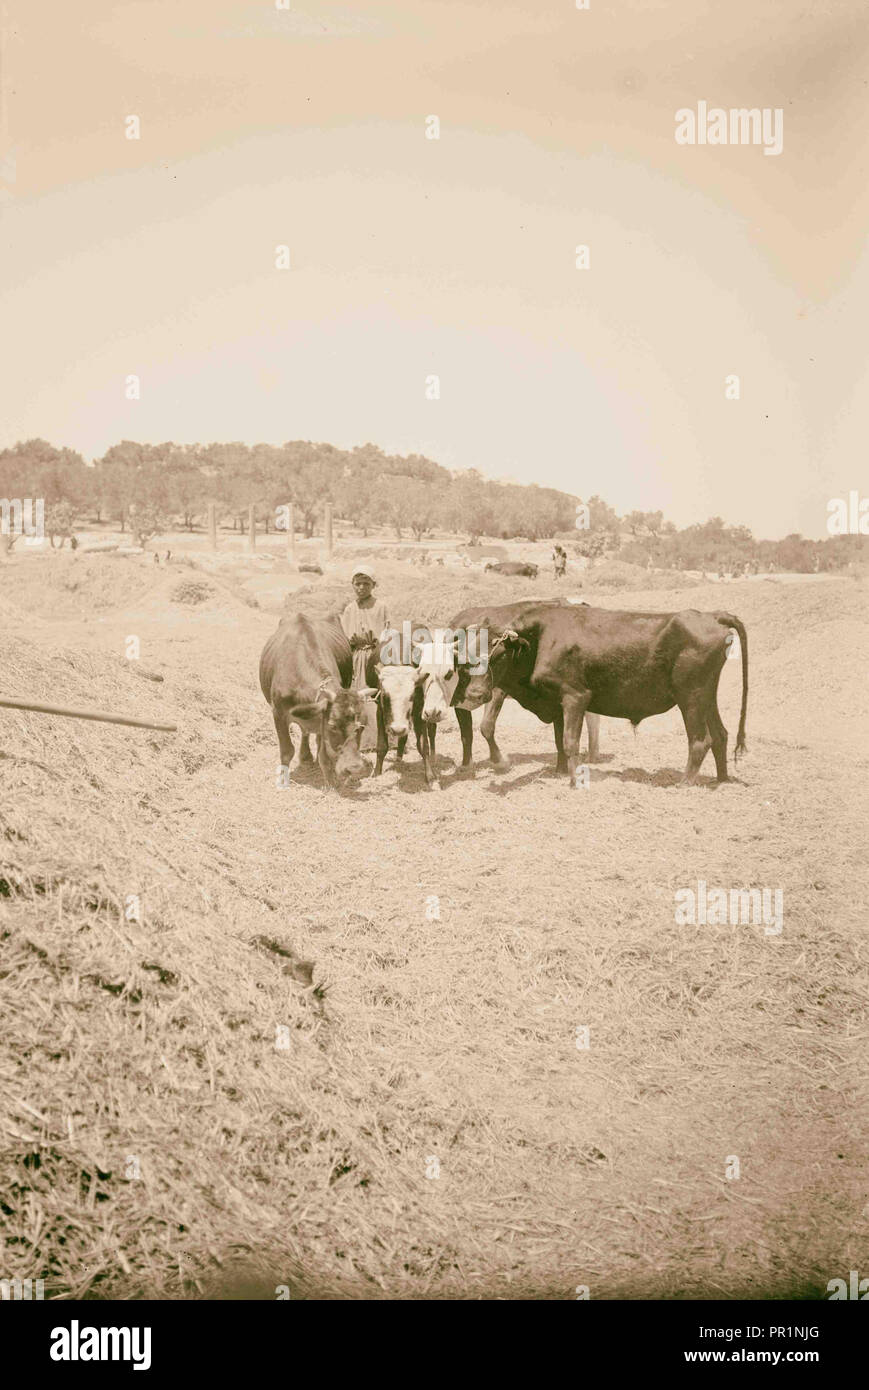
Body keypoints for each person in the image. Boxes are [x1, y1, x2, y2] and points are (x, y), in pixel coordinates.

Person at [340, 564, 389, 750]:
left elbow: (386, 635)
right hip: (355, 656)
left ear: (373, 585)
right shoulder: (349, 609)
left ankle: (381, 740)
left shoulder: (381, 607)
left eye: (366, 584)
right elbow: (345, 636)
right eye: (358, 583)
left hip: (375, 656)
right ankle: (359, 741)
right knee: (356, 697)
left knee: (377, 695)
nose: (361, 588)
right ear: (353, 585)